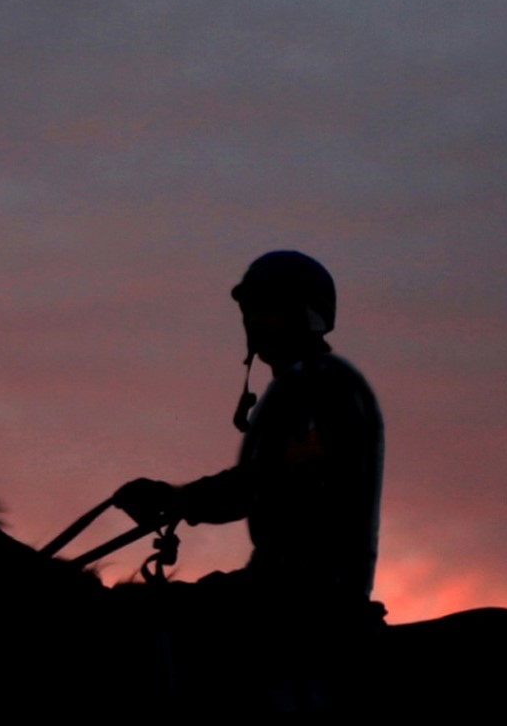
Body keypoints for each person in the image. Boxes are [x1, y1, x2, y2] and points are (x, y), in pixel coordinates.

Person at [114, 250, 386, 670]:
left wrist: (178, 499)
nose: (256, 322)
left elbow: (267, 482)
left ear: (306, 316)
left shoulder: (324, 387)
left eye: (270, 309)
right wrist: (179, 501)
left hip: (308, 594)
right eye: (251, 311)